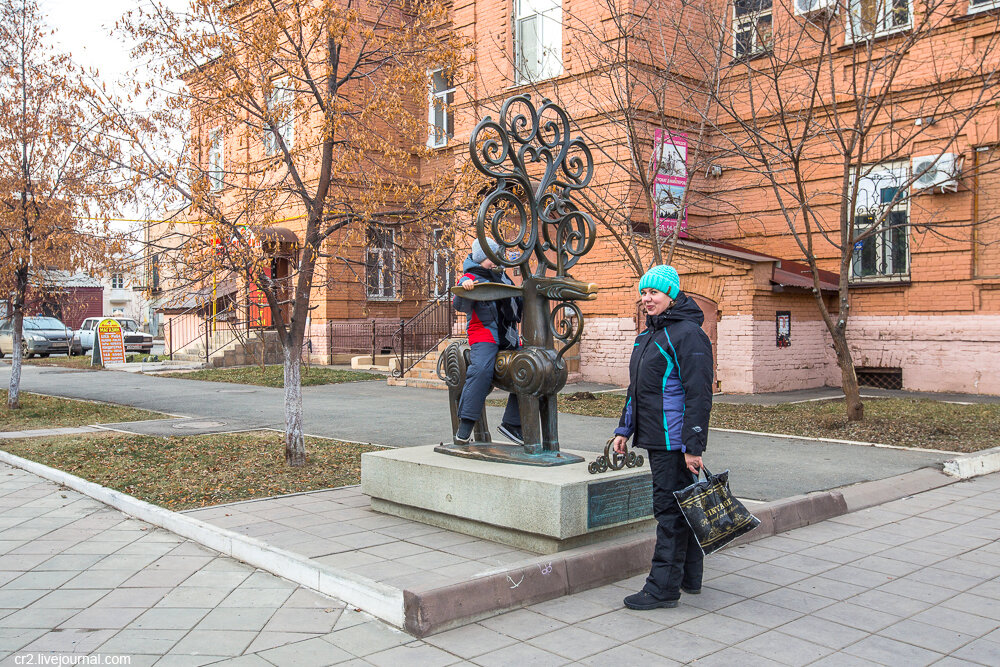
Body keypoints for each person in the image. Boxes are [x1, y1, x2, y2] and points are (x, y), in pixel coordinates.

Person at [611, 264, 713, 610]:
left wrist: (692, 447)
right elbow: (636, 389)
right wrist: (624, 429)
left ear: (671, 294)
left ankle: (662, 589)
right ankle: (689, 577)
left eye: (654, 292)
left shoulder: (689, 335)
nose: (646, 299)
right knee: (682, 508)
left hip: (675, 442)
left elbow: (699, 395)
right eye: (643, 293)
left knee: (668, 512)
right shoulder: (647, 335)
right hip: (656, 437)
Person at [452, 237, 524, 445]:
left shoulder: (503, 277)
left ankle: (512, 423)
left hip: (508, 334)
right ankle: (465, 425)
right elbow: (459, 304)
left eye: (495, 257)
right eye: (490, 258)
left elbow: (517, 303)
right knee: (481, 369)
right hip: (484, 332)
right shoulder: (470, 277)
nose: (494, 262)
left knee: (529, 367)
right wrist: (465, 288)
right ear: (480, 259)